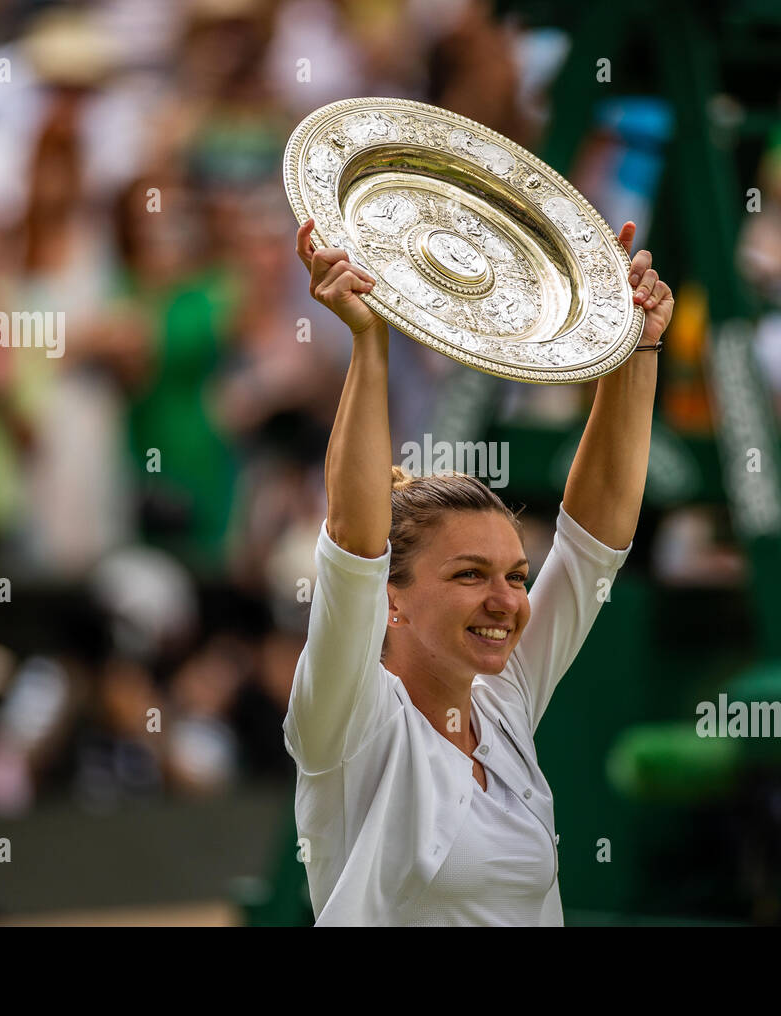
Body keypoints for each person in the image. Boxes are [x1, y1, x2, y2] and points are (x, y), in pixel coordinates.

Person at [282, 215, 673, 925]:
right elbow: (353, 540)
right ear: (390, 601)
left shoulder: (503, 699)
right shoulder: (346, 719)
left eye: (517, 576)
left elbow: (595, 538)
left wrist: (637, 344)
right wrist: (370, 343)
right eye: (469, 575)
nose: (506, 601)